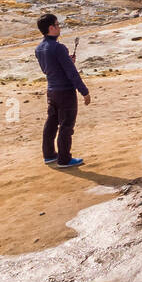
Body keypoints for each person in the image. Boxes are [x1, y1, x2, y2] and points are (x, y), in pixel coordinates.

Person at [34, 13, 89, 168]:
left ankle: (49, 155)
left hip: (51, 91)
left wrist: (66, 61)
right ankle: (64, 159)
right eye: (58, 25)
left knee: (51, 123)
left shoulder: (39, 49)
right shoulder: (58, 48)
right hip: (65, 92)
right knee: (66, 126)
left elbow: (47, 69)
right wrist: (84, 91)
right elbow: (72, 73)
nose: (59, 27)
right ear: (51, 28)